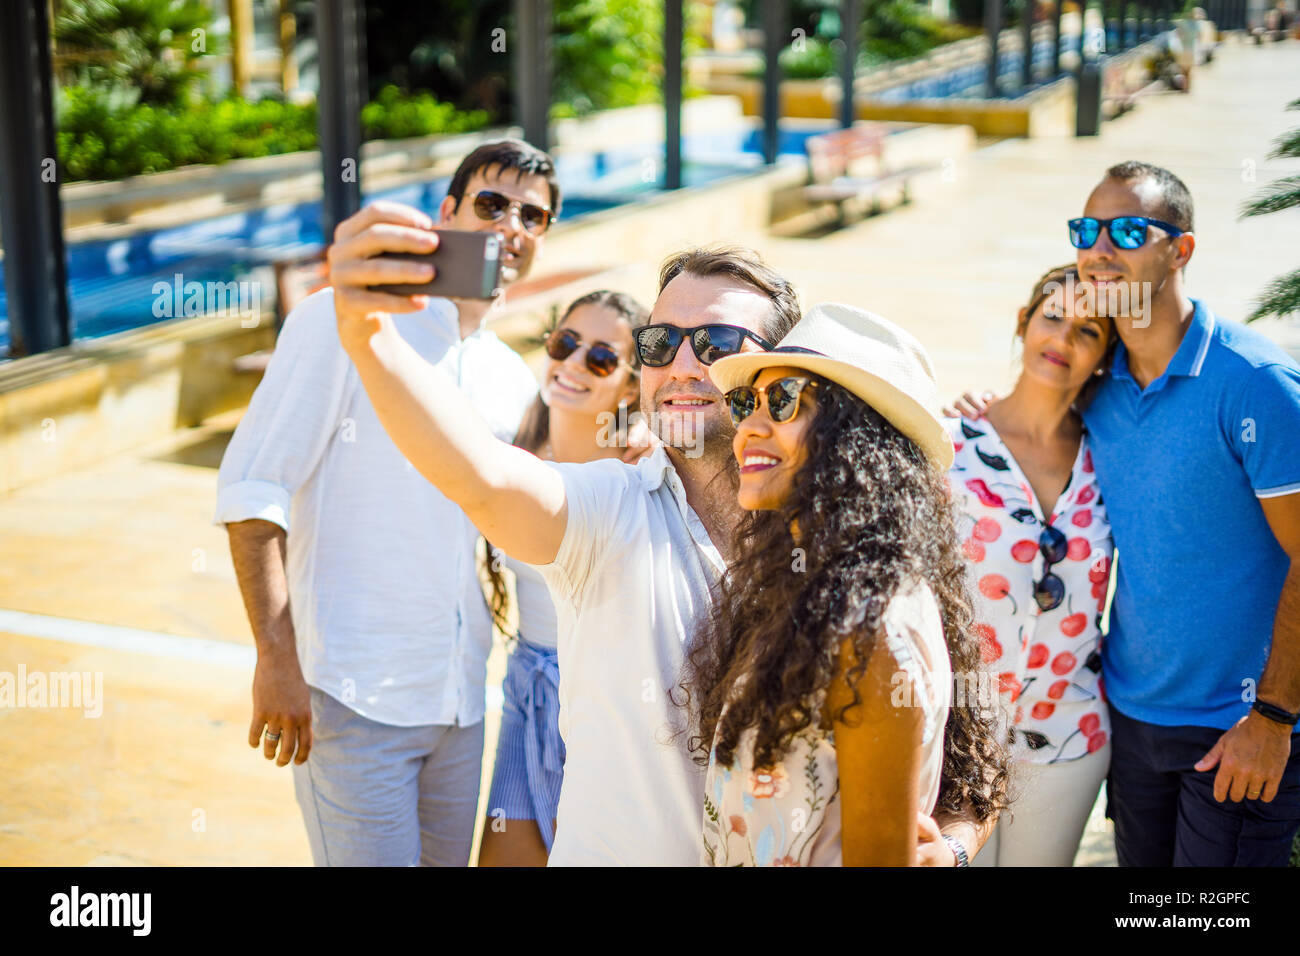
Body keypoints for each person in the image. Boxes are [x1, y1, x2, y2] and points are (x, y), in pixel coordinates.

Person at [324, 223, 998, 864]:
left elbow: (970, 749)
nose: (679, 365)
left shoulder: (855, 554)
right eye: (657, 344)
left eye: (716, 343)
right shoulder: (607, 510)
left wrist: (955, 845)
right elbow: (482, 475)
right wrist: (368, 336)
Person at [215, 139, 557, 866]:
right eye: (492, 203)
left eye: (533, 215)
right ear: (447, 212)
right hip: (351, 694)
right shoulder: (342, 325)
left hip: (461, 701)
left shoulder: (509, 375)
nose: (511, 226)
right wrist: (275, 657)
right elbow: (254, 489)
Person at [955, 161, 1300, 867]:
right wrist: (977, 418)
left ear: (1182, 249)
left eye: (1129, 229)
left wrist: (1274, 716)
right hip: (1129, 719)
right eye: (1088, 229)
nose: (1101, 247)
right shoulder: (1099, 388)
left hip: (1235, 728)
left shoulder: (1257, 384)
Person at [683, 303, 1011, 866]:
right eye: (746, 403)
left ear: (857, 440)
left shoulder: (875, 625)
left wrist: (952, 852)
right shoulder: (801, 582)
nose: (751, 427)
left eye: (783, 402)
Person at [946, 264, 1118, 867]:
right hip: (952, 733)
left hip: (1069, 731)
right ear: (1023, 324)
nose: (1063, 340)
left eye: (1088, 331)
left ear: (1104, 355)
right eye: (1052, 317)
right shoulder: (947, 442)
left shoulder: (1114, 459)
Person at [478, 289, 650, 866]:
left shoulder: (644, 470)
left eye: (601, 357)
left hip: (603, 702)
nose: (574, 364)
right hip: (527, 688)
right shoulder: (513, 455)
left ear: (630, 385)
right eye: (565, 343)